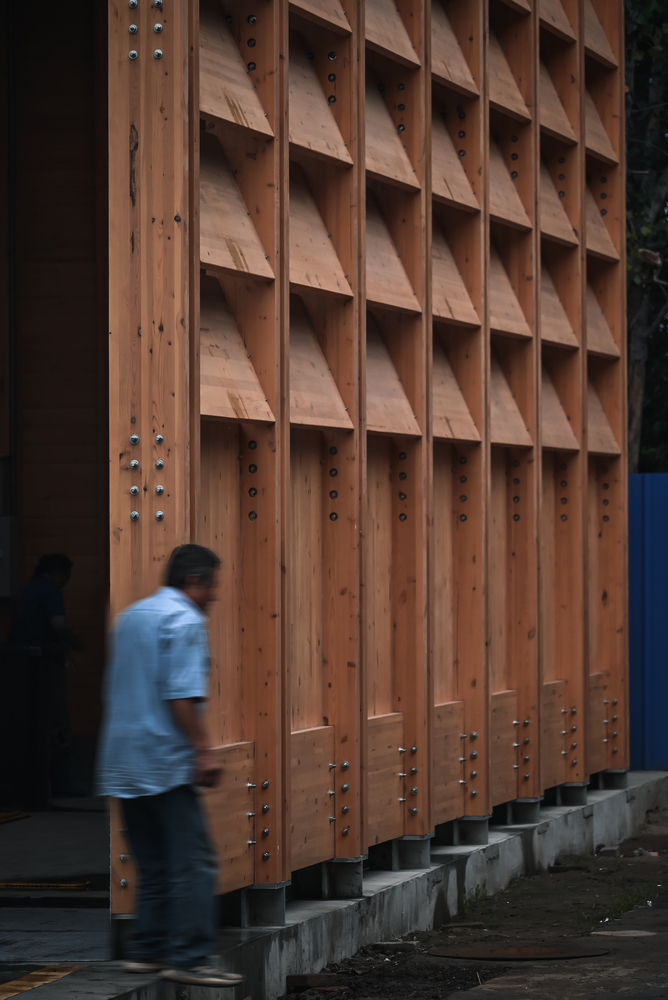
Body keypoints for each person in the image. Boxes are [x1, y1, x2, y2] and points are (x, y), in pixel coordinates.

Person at [96, 544, 243, 988]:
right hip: (164, 759)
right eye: (212, 586)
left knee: (154, 862)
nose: (214, 596)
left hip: (123, 760)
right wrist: (202, 750)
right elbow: (179, 695)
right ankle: (191, 957)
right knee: (193, 863)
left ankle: (145, 950)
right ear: (194, 581)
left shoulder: (131, 617)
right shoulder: (184, 620)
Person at [7, 553, 82, 801]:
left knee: (29, 723)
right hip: (47, 664)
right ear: (58, 574)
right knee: (57, 721)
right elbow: (59, 624)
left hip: (20, 667)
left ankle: (32, 785)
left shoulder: (24, 593)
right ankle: (62, 782)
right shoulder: (51, 592)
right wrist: (75, 642)